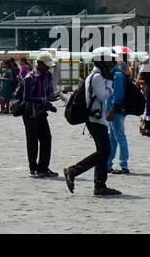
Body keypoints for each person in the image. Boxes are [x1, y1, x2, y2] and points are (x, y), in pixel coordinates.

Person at [62, 48, 121, 197]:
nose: (111, 64)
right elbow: (102, 96)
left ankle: (100, 185)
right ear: (101, 61)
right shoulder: (98, 77)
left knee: (103, 151)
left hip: (95, 117)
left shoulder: (94, 75)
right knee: (105, 151)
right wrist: (110, 84)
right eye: (109, 61)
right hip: (95, 118)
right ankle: (74, 170)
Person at [20, 51, 60, 177]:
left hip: (41, 111)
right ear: (39, 63)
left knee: (46, 139)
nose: (48, 67)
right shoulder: (30, 77)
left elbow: (48, 91)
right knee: (32, 141)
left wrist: (52, 97)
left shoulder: (47, 75)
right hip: (30, 112)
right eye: (46, 65)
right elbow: (27, 98)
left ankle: (43, 167)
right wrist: (45, 99)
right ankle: (33, 168)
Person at [107, 50, 131, 174]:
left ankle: (124, 164)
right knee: (112, 138)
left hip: (116, 111)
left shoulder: (117, 75)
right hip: (113, 110)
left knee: (120, 137)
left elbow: (118, 95)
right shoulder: (113, 74)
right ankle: (108, 164)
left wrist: (111, 110)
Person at [137, 53, 150, 121]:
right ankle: (148, 126)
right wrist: (147, 83)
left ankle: (149, 126)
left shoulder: (149, 67)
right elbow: (138, 81)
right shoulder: (148, 68)